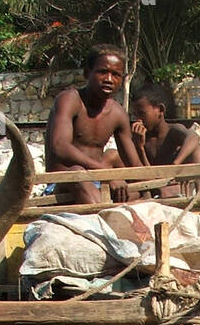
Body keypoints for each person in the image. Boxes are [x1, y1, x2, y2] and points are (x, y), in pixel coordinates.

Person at [45, 44, 143, 205]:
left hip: (99, 182)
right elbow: (60, 147)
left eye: (116, 74)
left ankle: (109, 207)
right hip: (65, 183)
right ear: (87, 73)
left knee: (116, 159)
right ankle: (105, 218)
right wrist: (105, 173)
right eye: (102, 72)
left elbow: (134, 164)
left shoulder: (118, 113)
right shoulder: (70, 100)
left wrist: (162, 182)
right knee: (78, 173)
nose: (109, 79)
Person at [129, 83, 200, 197]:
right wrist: (140, 148)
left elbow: (194, 137)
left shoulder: (172, 131)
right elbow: (146, 173)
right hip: (152, 185)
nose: (138, 119)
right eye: (135, 115)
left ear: (160, 110)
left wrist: (175, 165)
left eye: (142, 114)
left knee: (195, 149)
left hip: (174, 184)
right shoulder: (140, 137)